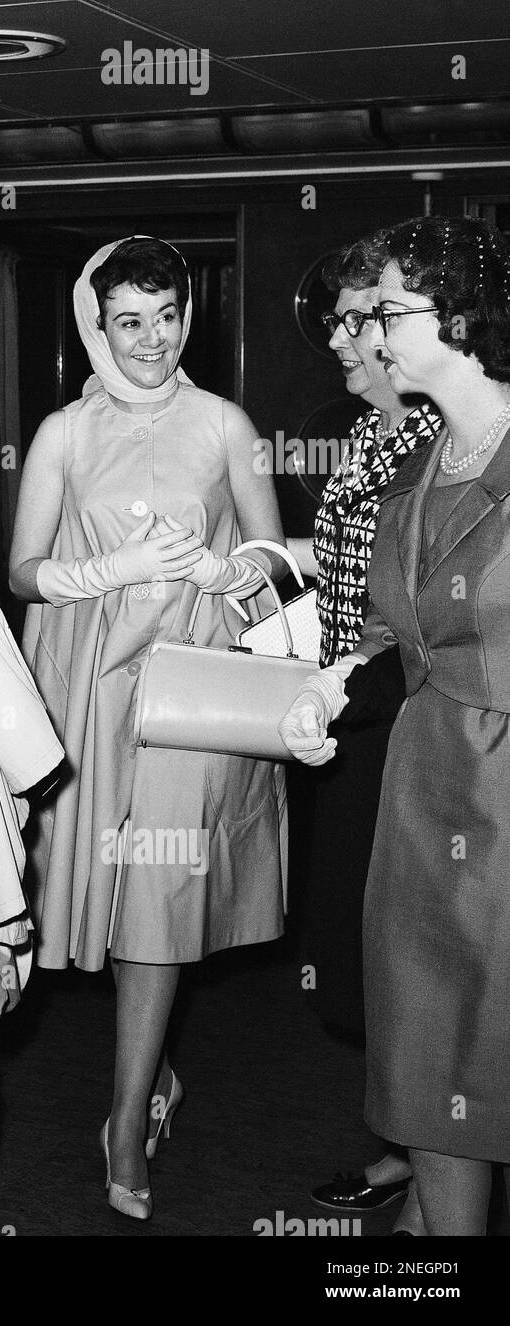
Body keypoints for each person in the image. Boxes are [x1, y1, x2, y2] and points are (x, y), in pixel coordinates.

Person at [11, 236, 287, 1221]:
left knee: (159, 901)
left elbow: (276, 556)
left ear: (186, 314)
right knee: (105, 898)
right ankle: (156, 1076)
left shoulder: (224, 423)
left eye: (166, 315)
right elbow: (22, 567)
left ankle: (124, 1118)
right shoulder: (60, 434)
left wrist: (230, 571)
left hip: (188, 690)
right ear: (99, 322)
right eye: (129, 319)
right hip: (89, 680)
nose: (151, 339)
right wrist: (102, 573)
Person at [281, 215, 510, 1235]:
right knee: (427, 1067)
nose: (365, 332)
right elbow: (391, 630)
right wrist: (331, 689)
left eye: (384, 310)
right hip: (421, 795)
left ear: (457, 317)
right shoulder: (416, 469)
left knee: (482, 1063)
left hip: (501, 793)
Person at [285, 239, 440, 1231]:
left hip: (406, 718)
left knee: (404, 958)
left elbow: (423, 613)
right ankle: (406, 1152)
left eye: (358, 318)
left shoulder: (435, 434)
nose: (338, 337)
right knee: (362, 948)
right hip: (353, 705)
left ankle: (432, 1178)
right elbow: (350, 564)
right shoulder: (371, 429)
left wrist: (348, 677)